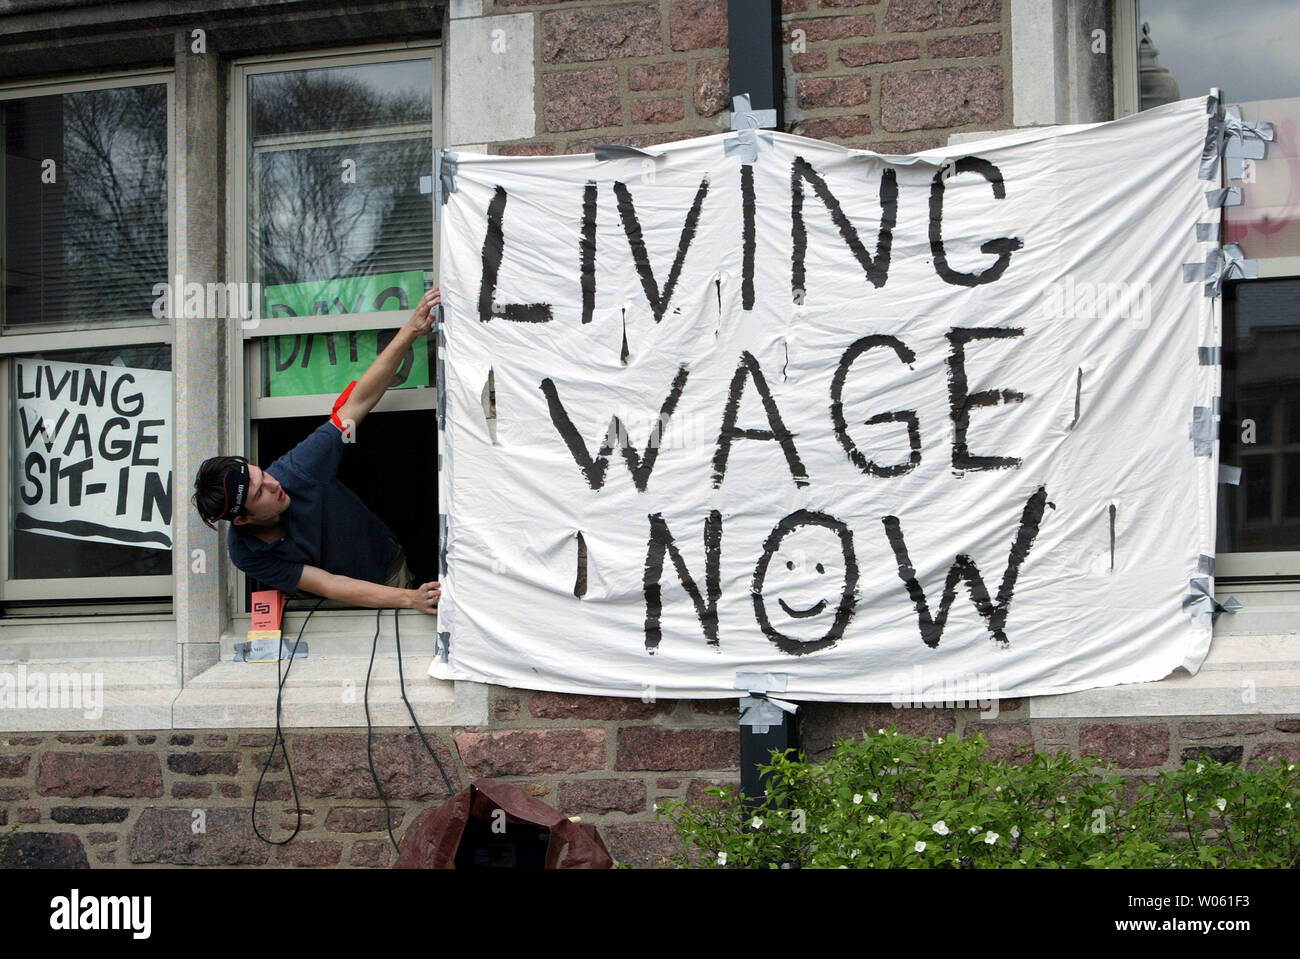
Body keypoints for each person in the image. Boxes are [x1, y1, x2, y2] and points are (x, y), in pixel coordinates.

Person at [191, 286, 442, 615]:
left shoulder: (297, 470)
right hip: (331, 606)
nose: (272, 483)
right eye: (259, 492)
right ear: (242, 519)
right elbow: (328, 584)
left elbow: (358, 402)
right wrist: (411, 601)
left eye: (261, 473)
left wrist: (410, 330)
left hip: (386, 573)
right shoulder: (246, 553)